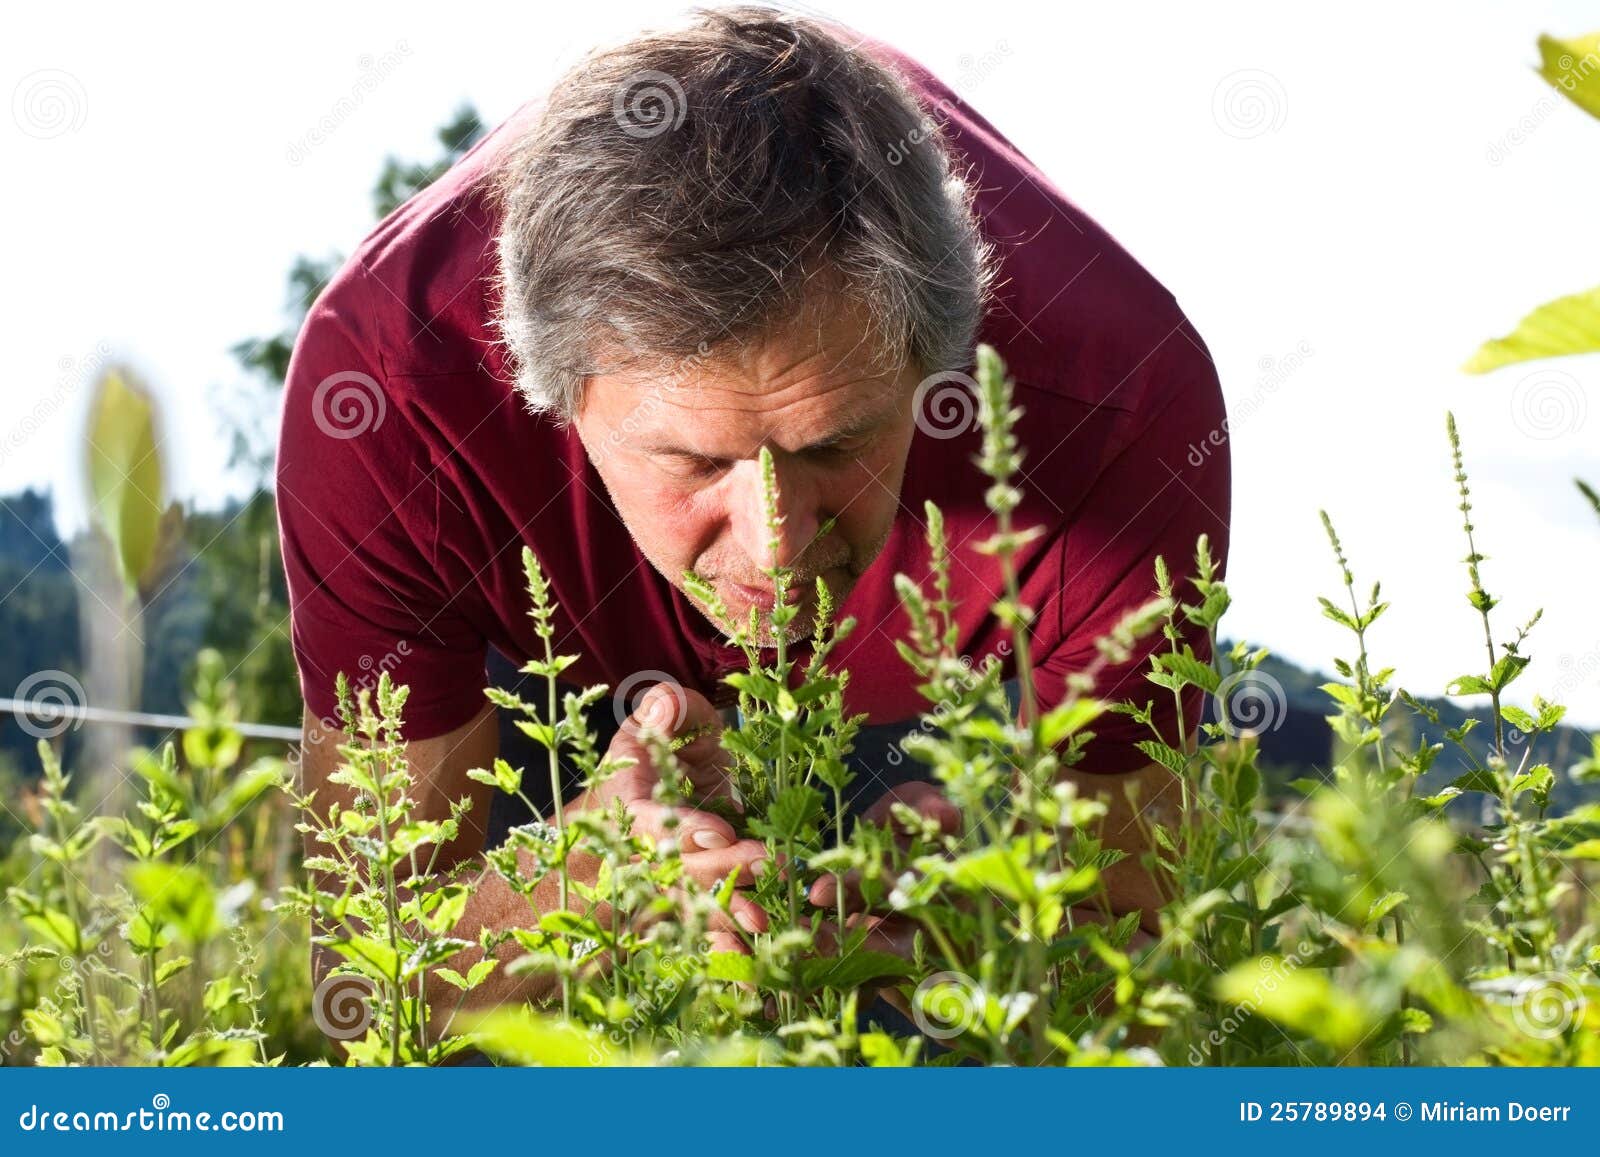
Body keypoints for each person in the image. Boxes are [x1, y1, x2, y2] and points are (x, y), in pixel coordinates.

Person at [277, 5, 1230, 1036]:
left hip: (932, 680)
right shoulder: (387, 394)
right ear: (552, 393)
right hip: (547, 650)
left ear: (935, 366)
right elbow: (362, 986)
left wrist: (992, 940)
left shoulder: (1124, 397)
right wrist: (571, 883)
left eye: (834, 445)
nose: (777, 546)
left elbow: (1143, 964)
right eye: (693, 460)